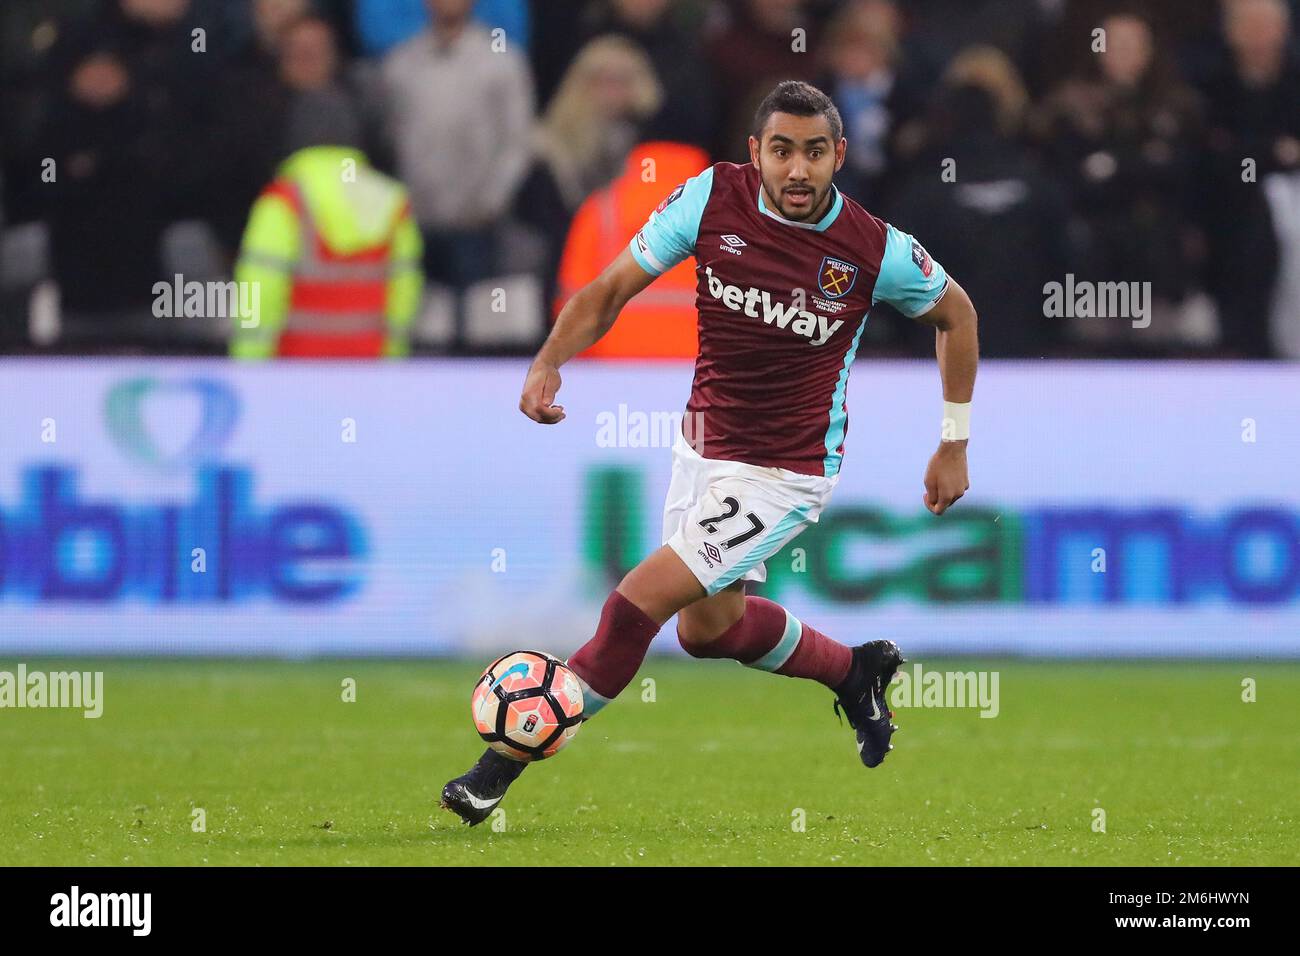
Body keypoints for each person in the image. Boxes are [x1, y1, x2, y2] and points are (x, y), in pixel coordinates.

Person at [440, 80, 979, 825]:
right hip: (704, 448)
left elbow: (958, 315)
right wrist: (548, 360)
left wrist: (953, 441)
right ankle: (855, 673)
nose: (798, 170)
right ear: (756, 153)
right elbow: (611, 289)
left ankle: (496, 769)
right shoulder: (708, 201)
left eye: (815, 153)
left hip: (786, 472)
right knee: (709, 630)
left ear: (839, 157)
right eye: (783, 151)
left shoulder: (872, 248)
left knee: (637, 606)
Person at [230, 141, 423, 358]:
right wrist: (393, 361)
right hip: (369, 372)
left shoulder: (284, 201)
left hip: (293, 373)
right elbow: (405, 295)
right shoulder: (392, 201)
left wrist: (249, 365)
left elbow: (260, 290)